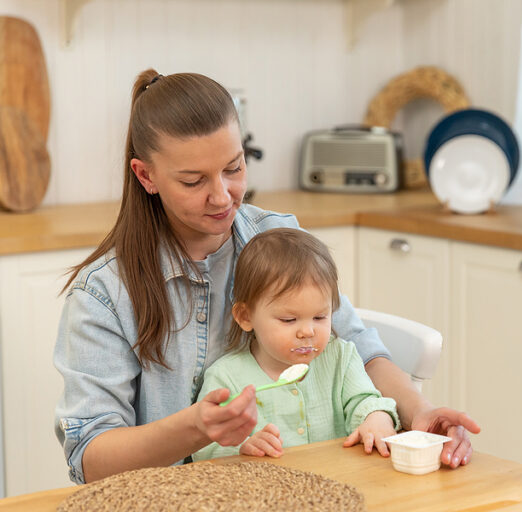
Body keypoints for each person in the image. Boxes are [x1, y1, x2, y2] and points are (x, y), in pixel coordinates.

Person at [54, 68, 480, 485]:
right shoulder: (104, 293)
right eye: (193, 181)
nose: (222, 196)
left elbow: (358, 348)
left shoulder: (278, 237)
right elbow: (90, 458)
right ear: (146, 175)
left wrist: (418, 410)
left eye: (234, 168)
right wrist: (195, 428)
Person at [193, 228, 399, 461]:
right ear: (245, 316)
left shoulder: (341, 356)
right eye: (289, 320)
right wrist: (243, 447)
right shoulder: (226, 377)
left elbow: (364, 401)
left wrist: (376, 417)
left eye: (320, 317)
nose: (308, 332)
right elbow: (205, 448)